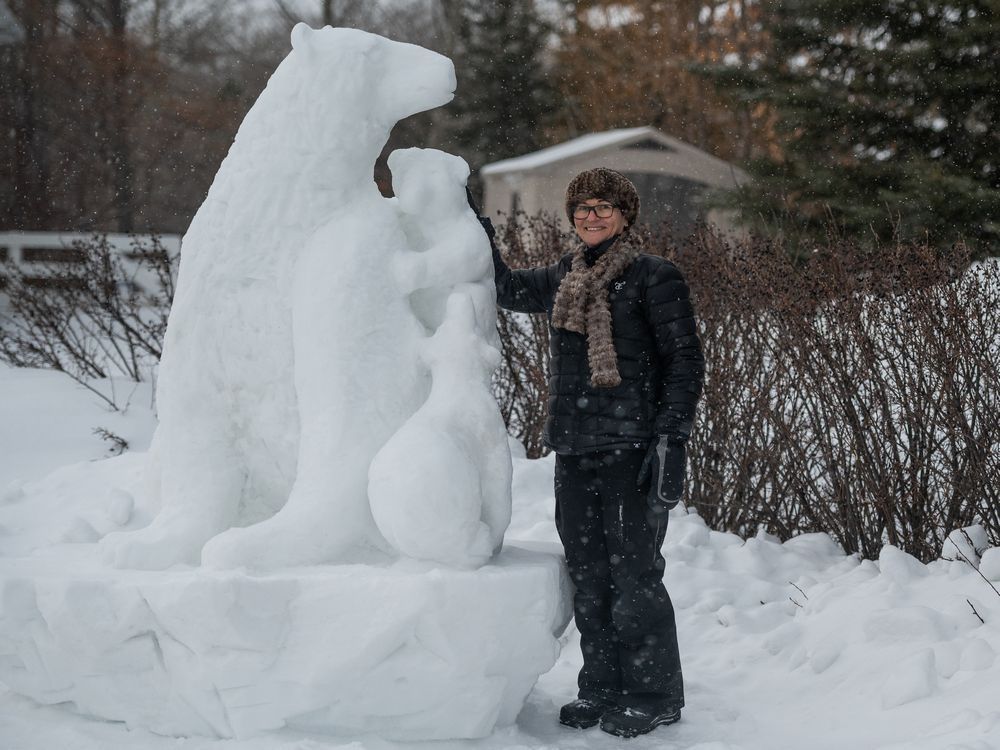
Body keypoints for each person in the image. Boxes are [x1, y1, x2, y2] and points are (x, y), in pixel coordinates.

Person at [471, 168, 704, 738]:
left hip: (632, 447)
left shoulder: (654, 276)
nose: (590, 216)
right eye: (581, 207)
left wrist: (670, 438)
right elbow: (506, 288)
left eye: (603, 206)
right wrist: (473, 227)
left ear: (625, 215)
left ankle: (653, 694)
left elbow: (684, 361)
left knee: (634, 575)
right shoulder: (565, 275)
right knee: (590, 575)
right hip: (575, 448)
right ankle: (600, 687)